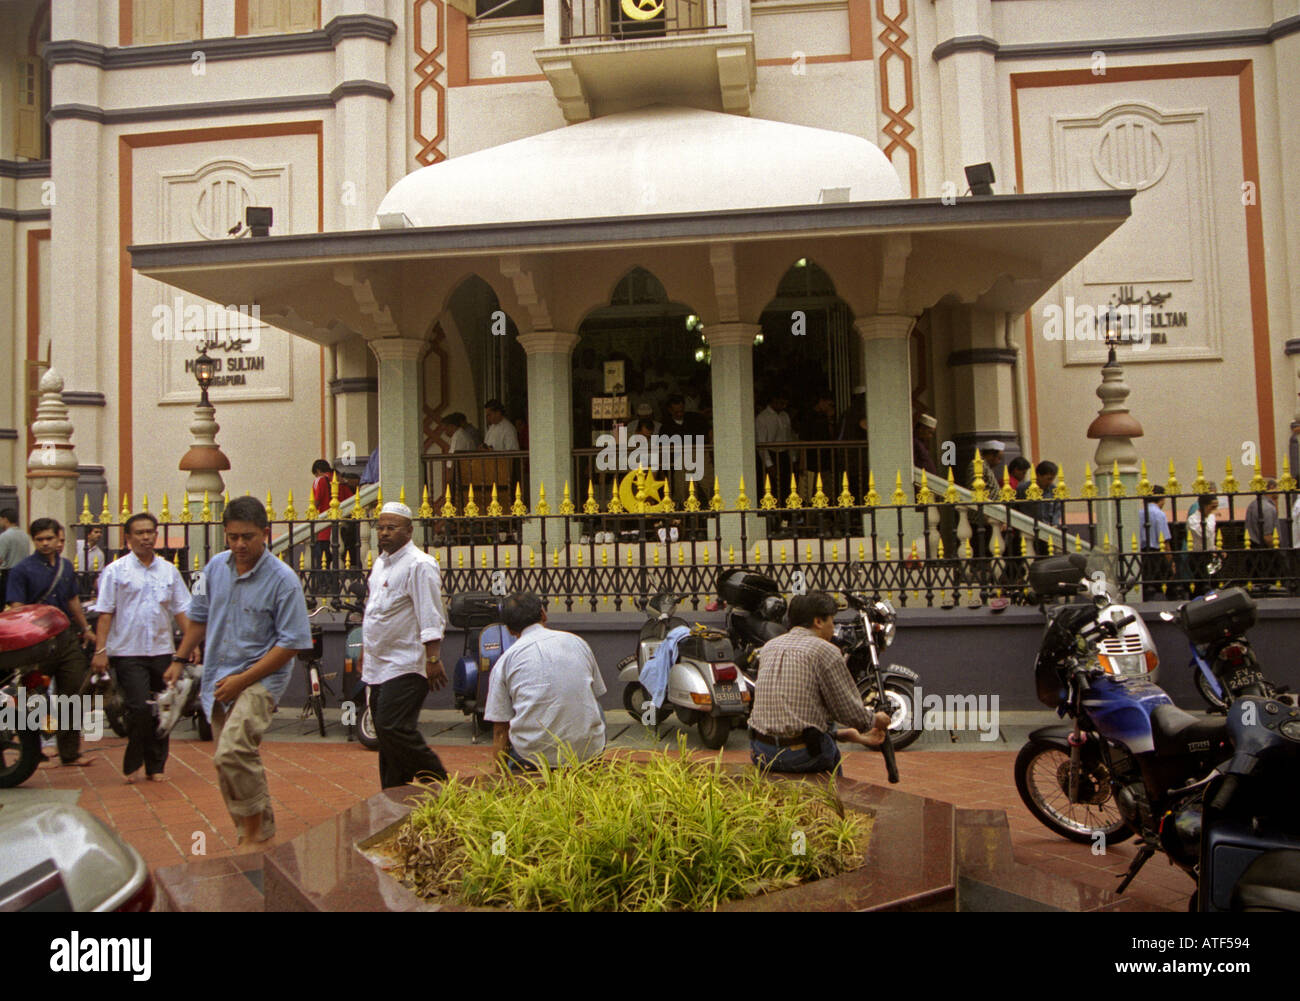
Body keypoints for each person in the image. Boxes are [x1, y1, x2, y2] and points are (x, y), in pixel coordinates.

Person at [169, 496, 312, 846]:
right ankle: (255, 830)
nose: (239, 544)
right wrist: (178, 659)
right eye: (232, 537)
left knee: (233, 750)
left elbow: (290, 644)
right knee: (226, 762)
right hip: (218, 678)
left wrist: (242, 681)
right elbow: (198, 618)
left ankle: (253, 834)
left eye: (247, 537)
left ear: (266, 533)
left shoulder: (284, 581)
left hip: (260, 679)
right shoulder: (214, 569)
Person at [91, 513, 192, 784]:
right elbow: (105, 614)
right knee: (138, 708)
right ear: (128, 538)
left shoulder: (168, 571)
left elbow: (182, 611)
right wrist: (100, 651)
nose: (146, 537)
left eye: (150, 532)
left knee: (162, 708)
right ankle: (133, 762)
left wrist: (188, 645)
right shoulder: (116, 571)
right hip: (127, 651)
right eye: (140, 533)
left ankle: (156, 766)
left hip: (161, 650)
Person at [748, 592, 892, 774]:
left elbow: (792, 716)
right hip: (800, 754)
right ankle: (833, 798)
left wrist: (848, 735)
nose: (833, 628)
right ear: (818, 622)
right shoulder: (826, 650)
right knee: (832, 771)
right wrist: (875, 720)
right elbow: (849, 711)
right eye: (832, 621)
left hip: (761, 750)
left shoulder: (769, 647)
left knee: (819, 717)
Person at [362, 501, 449, 789]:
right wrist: (366, 651)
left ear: (409, 531)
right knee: (385, 736)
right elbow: (373, 613)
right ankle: (393, 794)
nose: (384, 533)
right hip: (378, 665)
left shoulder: (420, 565)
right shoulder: (380, 564)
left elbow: (430, 614)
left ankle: (439, 781)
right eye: (381, 528)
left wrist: (433, 659)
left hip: (408, 663)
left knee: (392, 726)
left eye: (392, 528)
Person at [4, 518, 98, 767]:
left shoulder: (66, 567)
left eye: (49, 538)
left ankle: (69, 752)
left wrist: (86, 629)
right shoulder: (21, 570)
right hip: (36, 644)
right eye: (40, 539)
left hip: (66, 639)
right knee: (32, 697)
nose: (45, 544)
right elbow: (16, 609)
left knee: (75, 692)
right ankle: (35, 752)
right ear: (33, 540)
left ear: (59, 538)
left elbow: (73, 601)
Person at [483, 593, 606, 769]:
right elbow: (596, 692)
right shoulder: (577, 642)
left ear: (509, 630)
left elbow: (500, 730)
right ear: (543, 614)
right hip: (586, 752)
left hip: (533, 758)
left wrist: (499, 779)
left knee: (510, 716)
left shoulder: (505, 661)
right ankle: (594, 767)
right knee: (595, 704)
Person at [966, 440, 1005, 559]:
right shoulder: (978, 465)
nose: (999, 462)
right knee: (982, 547)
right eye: (998, 458)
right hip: (981, 516)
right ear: (991, 455)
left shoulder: (986, 466)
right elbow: (976, 490)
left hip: (989, 514)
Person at [1140, 486, 1173, 601]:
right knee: (1166, 583)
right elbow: (1164, 539)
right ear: (1162, 499)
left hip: (1142, 553)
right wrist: (1170, 561)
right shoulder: (1159, 514)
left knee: (1146, 585)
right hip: (1156, 554)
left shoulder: (1139, 513)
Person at [755, 390, 794, 488]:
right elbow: (761, 443)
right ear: (773, 401)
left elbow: (789, 437)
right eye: (781, 403)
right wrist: (769, 464)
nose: (783, 406)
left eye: (785, 404)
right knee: (770, 487)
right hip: (770, 454)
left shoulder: (785, 416)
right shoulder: (762, 418)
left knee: (786, 485)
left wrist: (792, 457)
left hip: (784, 454)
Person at [1185, 493, 1219, 597]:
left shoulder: (1211, 517)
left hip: (1210, 554)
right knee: (1200, 584)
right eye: (1212, 506)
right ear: (1204, 505)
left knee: (1213, 581)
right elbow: (1206, 534)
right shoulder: (1193, 520)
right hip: (1198, 555)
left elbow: (1211, 537)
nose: (1214, 509)